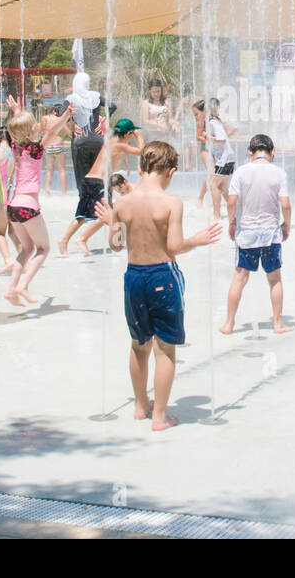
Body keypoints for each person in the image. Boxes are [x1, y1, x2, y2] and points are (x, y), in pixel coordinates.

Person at [93, 141, 223, 431]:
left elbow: (115, 247)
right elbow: (174, 246)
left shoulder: (123, 202)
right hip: (162, 277)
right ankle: (161, 416)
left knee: (139, 344)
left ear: (140, 168)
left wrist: (110, 221)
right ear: (171, 171)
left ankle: (141, 406)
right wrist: (198, 240)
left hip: (133, 277)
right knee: (165, 348)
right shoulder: (171, 203)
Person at [2, 97, 73, 305]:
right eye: (34, 124)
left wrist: (16, 111)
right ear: (30, 131)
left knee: (26, 249)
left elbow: (19, 128)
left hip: (13, 207)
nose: (37, 126)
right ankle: (23, 285)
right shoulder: (35, 149)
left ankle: (10, 290)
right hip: (28, 206)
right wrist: (66, 115)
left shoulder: (17, 148)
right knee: (43, 248)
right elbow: (53, 132)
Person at [221, 134, 292, 335]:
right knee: (275, 279)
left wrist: (232, 222)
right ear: (272, 152)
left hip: (247, 234)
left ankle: (229, 324)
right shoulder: (279, 173)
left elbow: (231, 202)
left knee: (239, 279)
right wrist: (286, 224)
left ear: (250, 153)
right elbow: (285, 204)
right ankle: (278, 324)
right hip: (271, 234)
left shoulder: (241, 172)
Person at [59, 119, 144, 254]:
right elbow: (140, 151)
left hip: (89, 180)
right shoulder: (118, 145)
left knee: (82, 216)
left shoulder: (111, 143)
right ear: (127, 133)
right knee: (107, 212)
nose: (132, 137)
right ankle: (82, 239)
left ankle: (64, 240)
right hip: (98, 182)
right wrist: (139, 135)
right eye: (131, 135)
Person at [0, 126, 21, 276]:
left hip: (4, 200)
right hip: (16, 198)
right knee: (13, 231)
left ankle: (8, 261)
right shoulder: (15, 153)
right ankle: (24, 260)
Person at [73, 173, 131, 254]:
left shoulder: (134, 190)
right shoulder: (125, 193)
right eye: (117, 190)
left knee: (108, 216)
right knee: (106, 216)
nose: (120, 191)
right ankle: (82, 239)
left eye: (121, 188)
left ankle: (82, 238)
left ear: (125, 182)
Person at [206, 98, 237, 219]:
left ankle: (216, 214)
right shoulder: (217, 121)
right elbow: (225, 136)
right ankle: (235, 213)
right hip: (229, 158)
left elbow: (222, 139)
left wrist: (208, 136)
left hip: (224, 159)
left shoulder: (213, 122)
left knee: (214, 185)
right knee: (223, 188)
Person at [40, 103, 71, 195]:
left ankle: (47, 192)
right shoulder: (60, 120)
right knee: (61, 170)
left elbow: (40, 131)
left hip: (48, 145)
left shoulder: (44, 118)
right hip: (58, 144)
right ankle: (64, 193)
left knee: (49, 170)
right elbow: (69, 133)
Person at [192, 99, 214, 209]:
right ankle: (200, 197)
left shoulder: (212, 121)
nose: (195, 117)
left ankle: (213, 200)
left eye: (196, 114)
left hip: (214, 150)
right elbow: (197, 137)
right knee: (211, 173)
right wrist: (206, 139)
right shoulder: (201, 123)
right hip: (205, 150)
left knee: (215, 175)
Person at [140, 80, 172, 147]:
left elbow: (170, 119)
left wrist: (175, 124)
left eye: (158, 91)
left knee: (164, 155)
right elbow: (146, 121)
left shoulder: (167, 102)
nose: (156, 94)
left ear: (161, 90)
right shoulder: (146, 103)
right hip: (151, 134)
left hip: (164, 135)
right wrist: (159, 125)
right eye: (154, 92)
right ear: (149, 91)